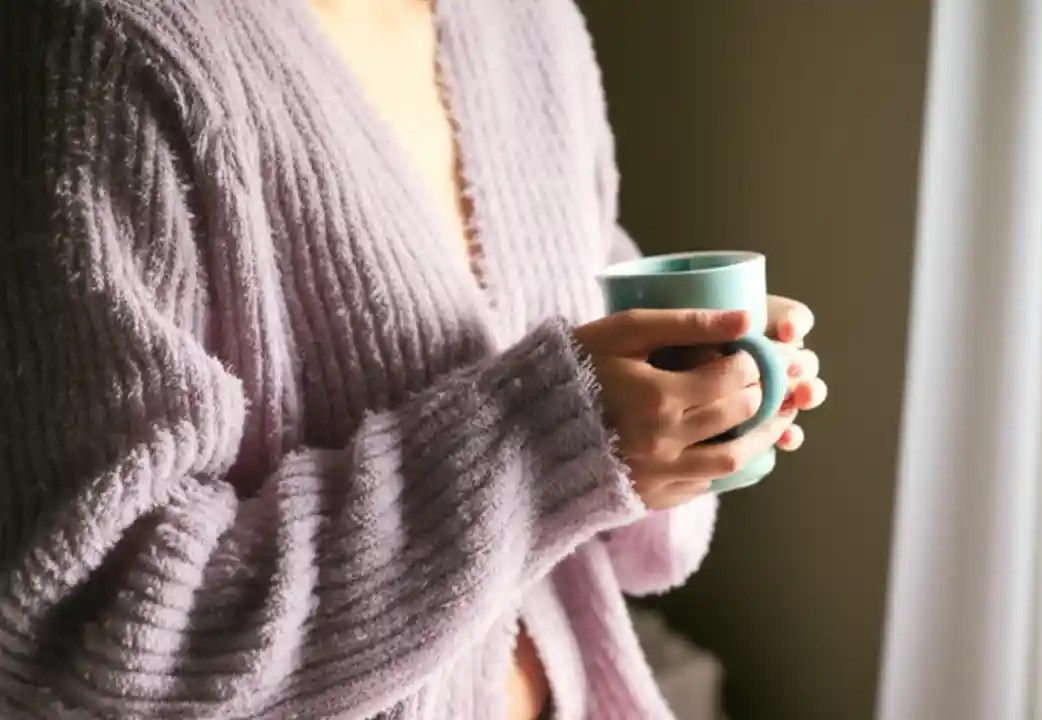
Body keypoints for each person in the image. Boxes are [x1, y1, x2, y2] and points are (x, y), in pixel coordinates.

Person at [0, 0, 827, 718]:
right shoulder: (108, 45)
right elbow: (88, 634)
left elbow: (643, 553)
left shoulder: (534, 27)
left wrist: (696, 413)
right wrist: (546, 443)